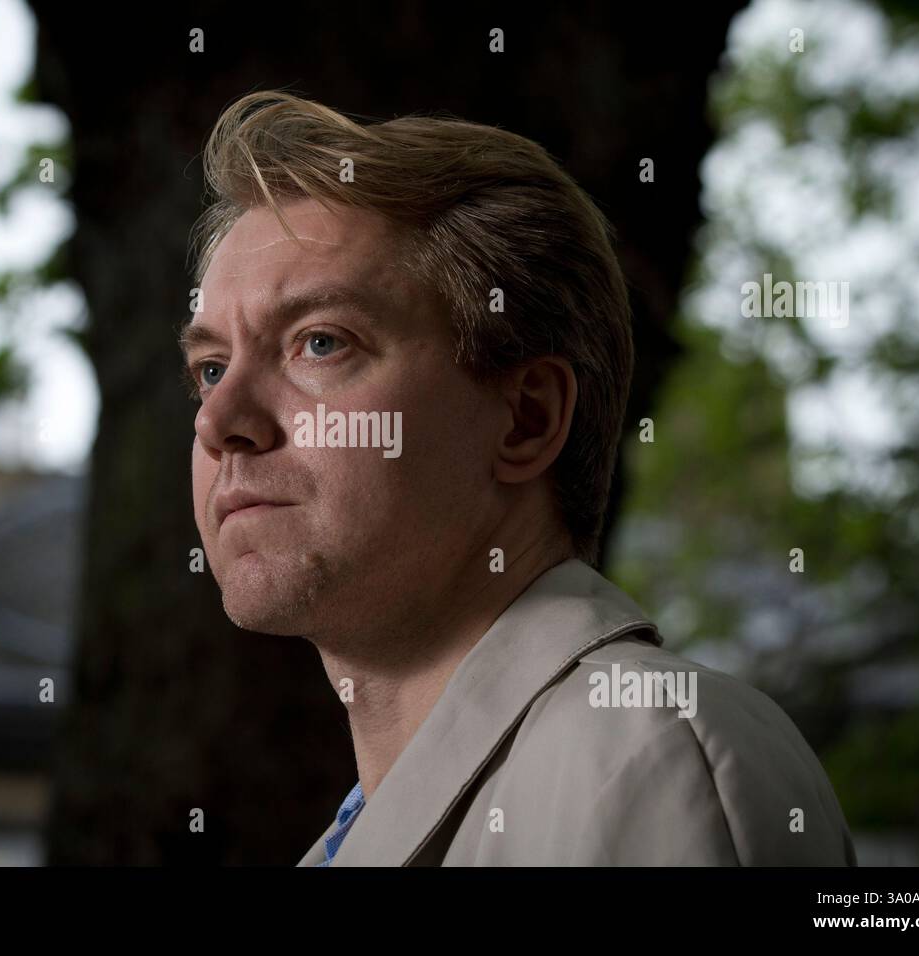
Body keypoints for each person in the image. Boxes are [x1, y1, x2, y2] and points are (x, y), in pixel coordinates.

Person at [179, 91, 857, 866]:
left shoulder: (648, 757)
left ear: (527, 419)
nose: (218, 419)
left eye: (322, 342)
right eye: (209, 367)